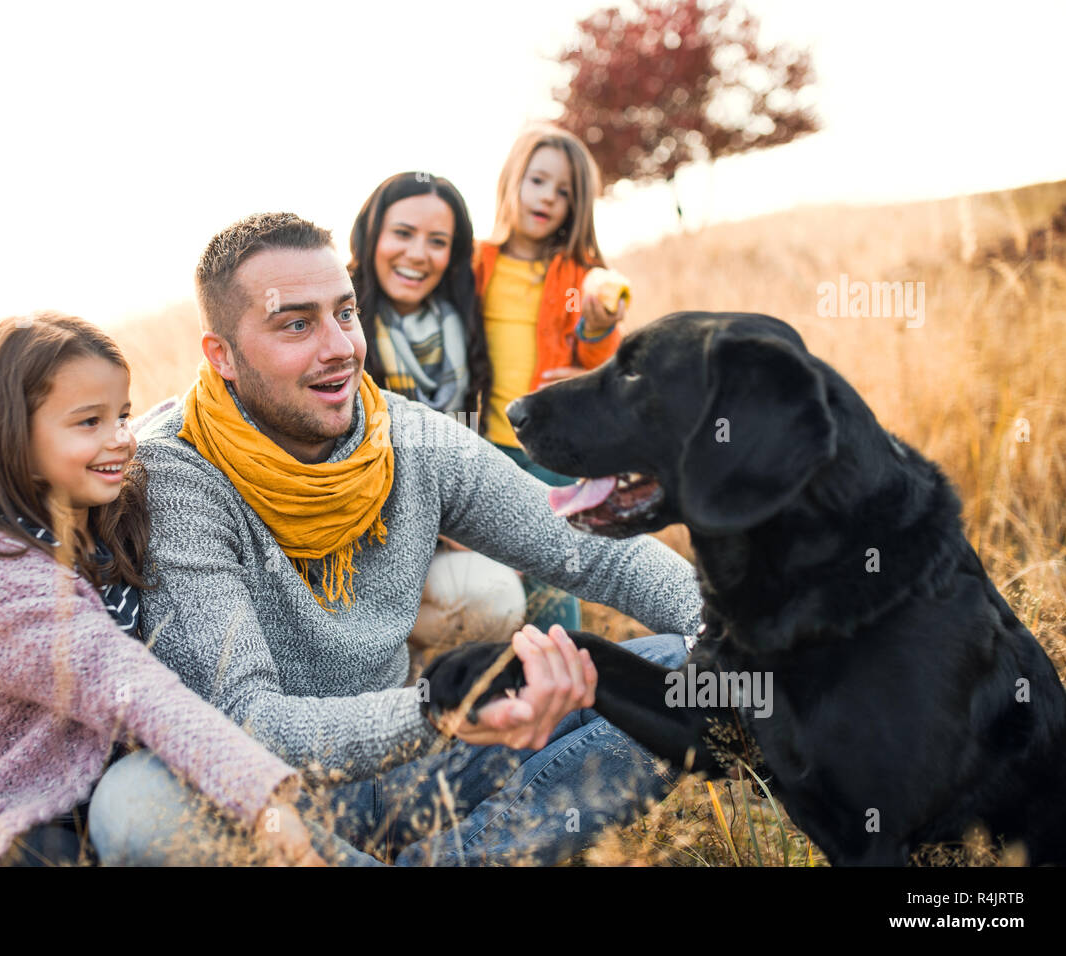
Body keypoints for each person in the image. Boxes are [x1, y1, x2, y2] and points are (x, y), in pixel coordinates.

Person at [120, 212, 705, 866]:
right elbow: (249, 721)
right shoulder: (177, 474)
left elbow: (582, 544)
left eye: (345, 313)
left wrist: (737, 634)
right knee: (135, 806)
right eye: (295, 324)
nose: (339, 347)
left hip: (422, 774)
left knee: (695, 675)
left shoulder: (403, 434)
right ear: (221, 355)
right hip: (280, 807)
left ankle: (463, 855)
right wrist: (435, 713)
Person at [0, 312, 325, 867]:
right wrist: (261, 799)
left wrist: (251, 376)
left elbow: (181, 416)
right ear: (9, 433)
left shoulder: (100, 513)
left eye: (123, 415)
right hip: (1, 813)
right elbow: (127, 684)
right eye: (89, 422)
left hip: (100, 794)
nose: (122, 440)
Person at [348, 171, 524, 666]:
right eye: (402, 233)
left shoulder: (463, 321)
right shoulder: (339, 321)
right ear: (372, 235)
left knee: (499, 599)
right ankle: (380, 659)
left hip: (443, 532)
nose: (418, 254)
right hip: (358, 541)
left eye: (438, 241)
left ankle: (442, 678)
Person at [473, 122, 629, 633]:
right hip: (485, 447)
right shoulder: (477, 262)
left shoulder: (576, 273)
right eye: (538, 180)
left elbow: (596, 356)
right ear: (512, 180)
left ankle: (569, 687)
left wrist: (597, 325)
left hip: (548, 454)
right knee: (492, 580)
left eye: (564, 192)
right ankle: (503, 687)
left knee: (554, 575)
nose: (548, 198)